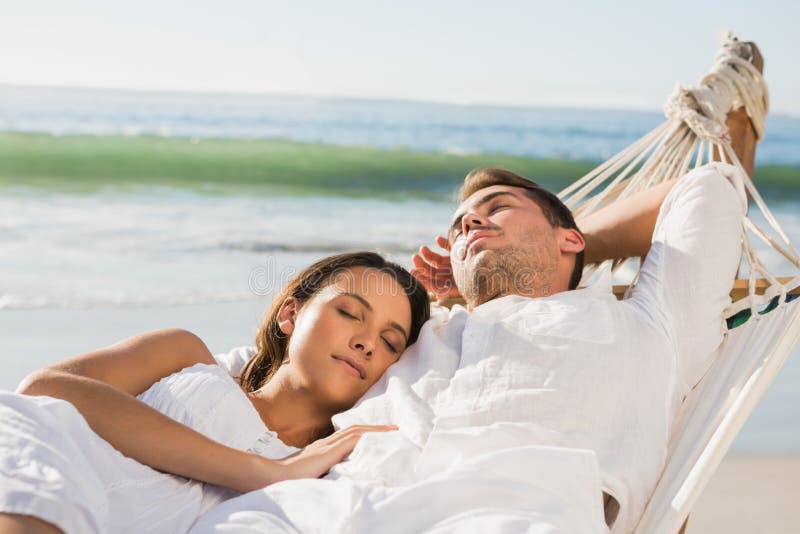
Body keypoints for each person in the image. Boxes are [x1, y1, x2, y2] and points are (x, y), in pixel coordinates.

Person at [196, 51, 763, 532]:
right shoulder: (416, 335)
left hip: (501, 515)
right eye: (460, 225)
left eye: (497, 208)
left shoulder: (651, 323)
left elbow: (709, 189)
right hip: (315, 511)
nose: (468, 223)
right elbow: (282, 368)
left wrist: (562, 243)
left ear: (572, 238)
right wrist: (470, 287)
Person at [0, 252, 430, 534]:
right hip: (46, 478)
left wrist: (457, 286)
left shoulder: (337, 465)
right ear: (291, 314)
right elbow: (45, 389)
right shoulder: (184, 354)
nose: (367, 342)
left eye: (390, 342)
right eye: (349, 312)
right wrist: (265, 473)